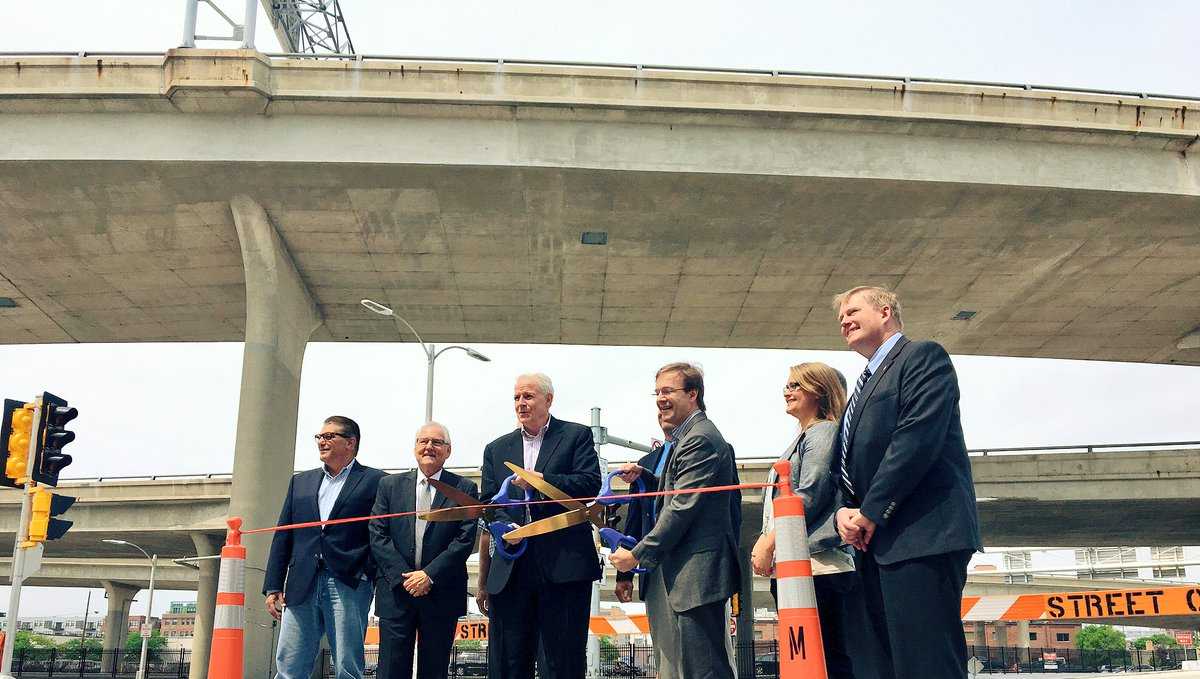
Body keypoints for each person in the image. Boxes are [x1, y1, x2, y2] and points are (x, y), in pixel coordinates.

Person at [831, 286, 982, 679]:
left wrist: (871, 511)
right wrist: (843, 513)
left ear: (885, 312)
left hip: (922, 538)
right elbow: (844, 465)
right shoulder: (860, 388)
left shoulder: (922, 357)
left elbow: (916, 440)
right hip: (872, 545)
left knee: (926, 662)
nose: (844, 321)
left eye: (852, 311)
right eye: (840, 317)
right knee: (879, 665)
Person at [609, 362, 741, 679]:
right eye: (657, 392)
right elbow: (679, 493)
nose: (660, 399)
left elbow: (683, 506)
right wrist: (649, 478)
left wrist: (637, 554)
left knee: (705, 669)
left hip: (698, 575)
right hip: (686, 575)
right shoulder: (690, 439)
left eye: (668, 391)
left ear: (693, 394)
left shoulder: (700, 439)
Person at [480, 373, 602, 679]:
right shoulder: (496, 449)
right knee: (507, 662)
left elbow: (589, 484)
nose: (521, 403)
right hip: (512, 567)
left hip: (563, 567)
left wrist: (541, 482)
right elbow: (488, 504)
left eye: (529, 396)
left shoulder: (576, 436)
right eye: (517, 397)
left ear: (548, 400)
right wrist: (504, 525)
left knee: (561, 662)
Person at [751, 362, 865, 679]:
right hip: (802, 566)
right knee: (809, 657)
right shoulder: (805, 437)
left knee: (828, 656)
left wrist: (768, 541)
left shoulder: (823, 432)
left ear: (819, 391)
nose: (787, 391)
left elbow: (810, 494)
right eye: (787, 385)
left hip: (820, 567)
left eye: (796, 385)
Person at [263, 415, 386, 679]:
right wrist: (273, 584)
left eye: (329, 436)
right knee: (289, 666)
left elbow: (382, 535)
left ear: (350, 443)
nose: (322, 441)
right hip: (301, 583)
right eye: (319, 436)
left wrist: (368, 572)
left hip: (348, 582)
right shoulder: (301, 482)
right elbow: (284, 534)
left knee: (347, 666)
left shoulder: (376, 481)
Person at [369, 422, 478, 679]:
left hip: (441, 592)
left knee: (435, 669)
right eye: (423, 441)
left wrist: (428, 575)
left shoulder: (464, 489)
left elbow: (464, 540)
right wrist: (405, 578)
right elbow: (377, 534)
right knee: (391, 670)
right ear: (415, 447)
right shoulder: (389, 485)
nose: (429, 447)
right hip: (396, 592)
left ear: (448, 451)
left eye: (437, 442)